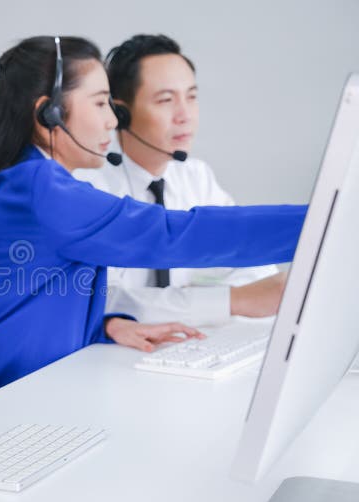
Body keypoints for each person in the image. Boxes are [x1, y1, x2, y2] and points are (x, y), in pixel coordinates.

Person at [0, 36, 306, 412]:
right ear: (47, 114)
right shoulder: (41, 189)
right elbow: (175, 234)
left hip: (12, 404)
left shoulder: (32, 182)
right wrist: (319, 220)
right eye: (101, 104)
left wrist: (107, 324)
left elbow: (34, 306)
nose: (112, 120)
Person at [74, 34, 282, 326]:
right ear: (120, 113)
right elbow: (109, 301)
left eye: (192, 97)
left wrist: (193, 302)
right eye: (166, 100)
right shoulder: (88, 188)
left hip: (183, 349)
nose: (185, 115)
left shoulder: (196, 176)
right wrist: (233, 300)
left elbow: (254, 270)